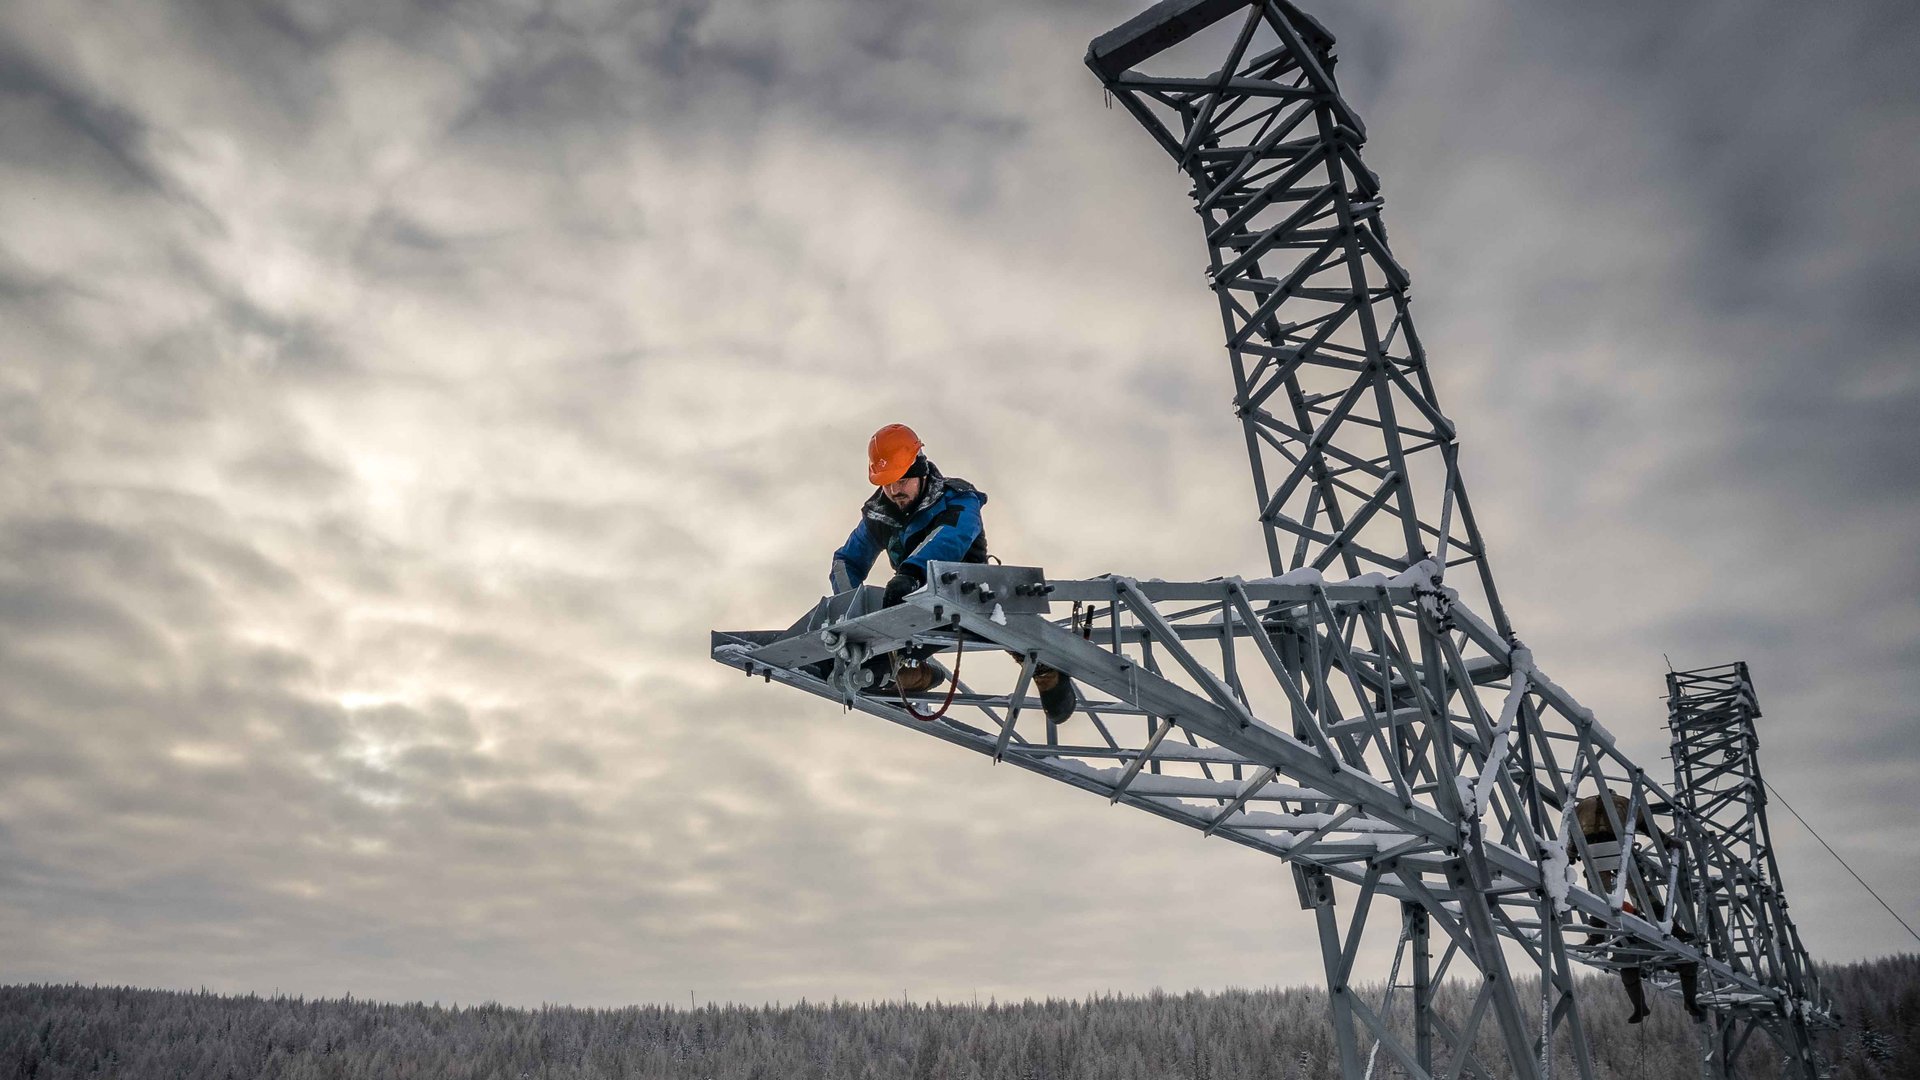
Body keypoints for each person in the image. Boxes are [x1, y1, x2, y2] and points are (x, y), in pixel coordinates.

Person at [830, 424, 1076, 723]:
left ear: (920, 471)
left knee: (1005, 622)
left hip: (975, 596)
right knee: (867, 669)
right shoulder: (879, 514)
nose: (895, 491)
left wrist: (911, 572)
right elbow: (847, 559)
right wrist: (849, 607)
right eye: (887, 483)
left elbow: (951, 535)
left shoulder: (957, 497)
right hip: (919, 608)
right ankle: (912, 675)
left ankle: (1045, 669)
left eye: (902, 480)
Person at [1569, 787, 1703, 1024]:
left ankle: (1596, 935)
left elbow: (1573, 834)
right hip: (1620, 849)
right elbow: (1649, 828)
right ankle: (1675, 931)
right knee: (1643, 894)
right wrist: (1668, 843)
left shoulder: (1582, 806)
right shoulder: (1624, 803)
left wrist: (1570, 854)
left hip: (1592, 851)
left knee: (1599, 897)